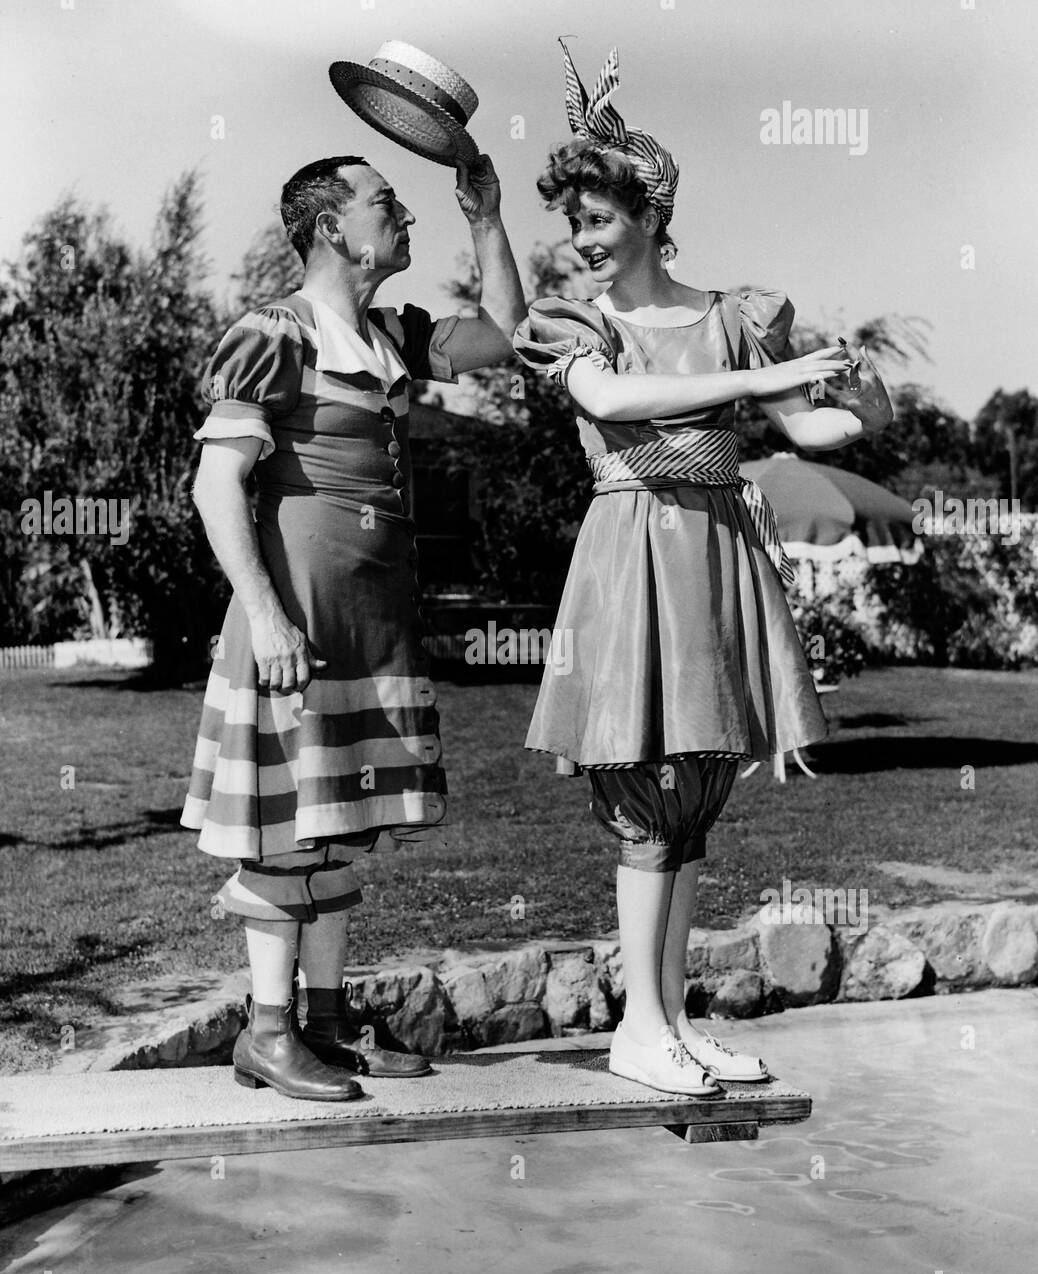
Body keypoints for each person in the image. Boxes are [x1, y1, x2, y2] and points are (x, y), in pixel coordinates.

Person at [512, 42, 893, 1096]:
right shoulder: (584, 326)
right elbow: (610, 404)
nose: (581, 242)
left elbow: (805, 427)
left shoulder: (730, 312)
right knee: (644, 790)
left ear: (649, 213)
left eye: (597, 220)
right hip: (633, 556)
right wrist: (768, 372)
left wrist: (863, 399)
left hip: (715, 553)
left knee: (690, 799)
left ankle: (669, 1021)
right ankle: (639, 1027)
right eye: (572, 222)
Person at [182, 154, 524, 1100]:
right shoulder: (271, 335)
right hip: (296, 619)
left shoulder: (391, 335)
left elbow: (503, 332)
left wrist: (488, 218)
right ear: (332, 227)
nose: (405, 214)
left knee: (340, 828)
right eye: (385, 203)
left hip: (372, 627)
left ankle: (326, 1022)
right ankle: (267, 1030)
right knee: (283, 834)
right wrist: (266, 613)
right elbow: (218, 486)